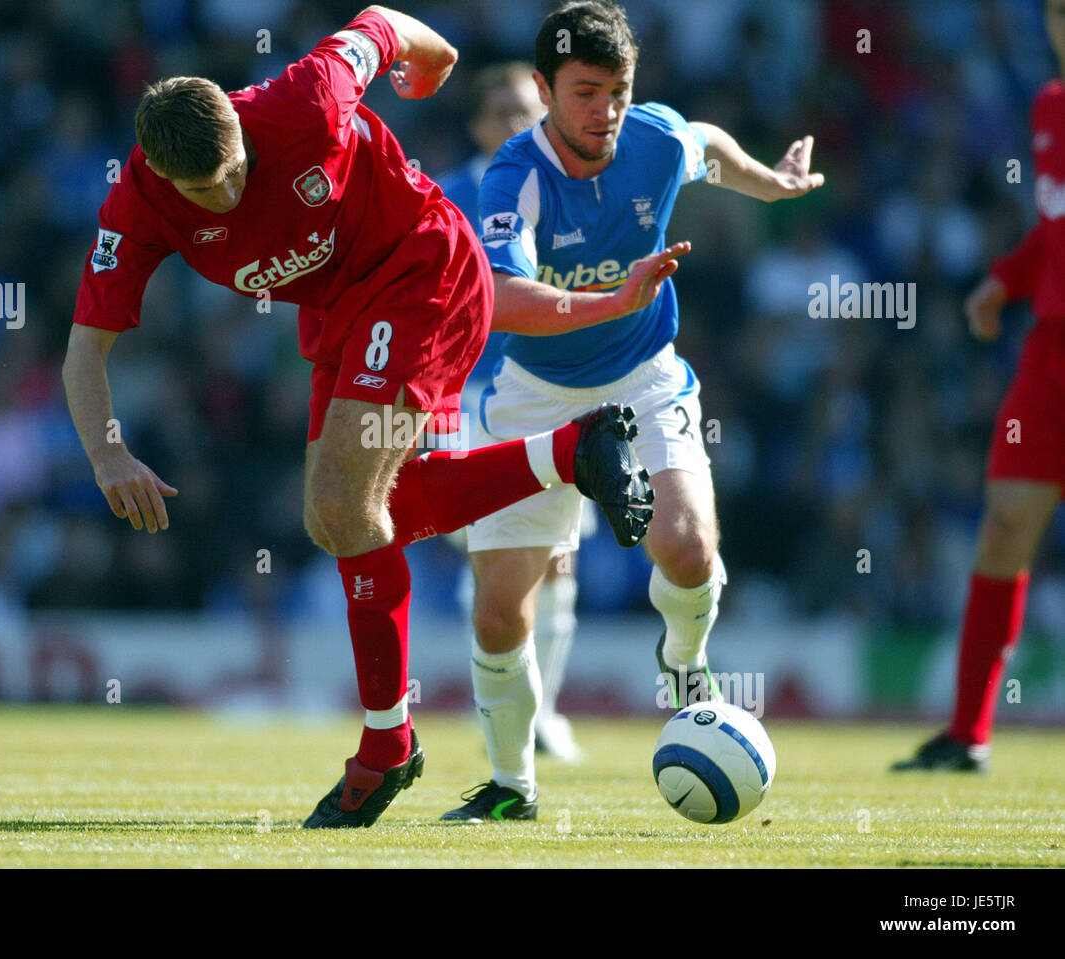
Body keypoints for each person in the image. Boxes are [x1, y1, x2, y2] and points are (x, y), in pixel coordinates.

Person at [65, 5, 683, 828]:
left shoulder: (303, 99)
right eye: (203, 191)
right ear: (158, 173)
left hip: (423, 265)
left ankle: (386, 746)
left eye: (233, 170)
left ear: (238, 124)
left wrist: (435, 61)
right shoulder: (138, 202)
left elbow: (382, 21)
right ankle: (567, 455)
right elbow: (84, 352)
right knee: (335, 515)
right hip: (341, 315)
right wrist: (107, 453)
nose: (227, 192)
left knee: (346, 501)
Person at [440, 0, 824, 824]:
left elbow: (709, 146)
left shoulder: (651, 137)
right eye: (584, 92)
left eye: (617, 90)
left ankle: (685, 662)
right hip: (533, 394)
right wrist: (616, 296)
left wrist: (773, 183)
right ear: (543, 89)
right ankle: (513, 786)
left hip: (644, 375)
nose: (604, 111)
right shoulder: (514, 176)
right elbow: (503, 299)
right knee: (503, 603)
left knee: (686, 548)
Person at [893, 0, 1065, 774]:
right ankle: (968, 733)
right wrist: (1006, 279)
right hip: (1050, 353)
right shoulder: (1050, 106)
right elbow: (1053, 229)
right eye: (1058, 12)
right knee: (1002, 528)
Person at [439, 64, 588, 763]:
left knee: (556, 557)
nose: (512, 124)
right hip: (463, 403)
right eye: (499, 111)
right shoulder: (440, 200)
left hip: (547, 396)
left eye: (525, 112)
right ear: (475, 123)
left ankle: (542, 713)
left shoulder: (566, 193)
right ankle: (505, 711)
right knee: (495, 561)